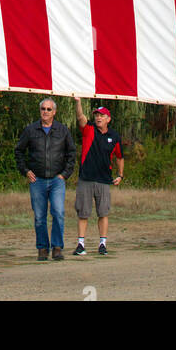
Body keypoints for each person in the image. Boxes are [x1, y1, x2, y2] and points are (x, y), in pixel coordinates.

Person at [14, 98, 76, 260]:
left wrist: (64, 174)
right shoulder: (30, 130)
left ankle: (57, 247)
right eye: (43, 109)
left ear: (54, 112)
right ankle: (42, 248)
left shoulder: (62, 130)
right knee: (40, 216)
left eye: (49, 109)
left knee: (58, 213)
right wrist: (26, 171)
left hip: (57, 180)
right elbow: (19, 151)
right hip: (37, 181)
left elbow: (71, 153)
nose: (45, 112)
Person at [72, 98, 124, 257]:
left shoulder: (114, 136)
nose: (98, 118)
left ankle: (103, 244)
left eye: (101, 115)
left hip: (103, 180)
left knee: (103, 212)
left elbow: (120, 157)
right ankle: (81, 244)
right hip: (86, 179)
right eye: (96, 115)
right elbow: (80, 117)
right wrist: (78, 102)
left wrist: (120, 175)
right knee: (83, 212)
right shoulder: (89, 129)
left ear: (108, 119)